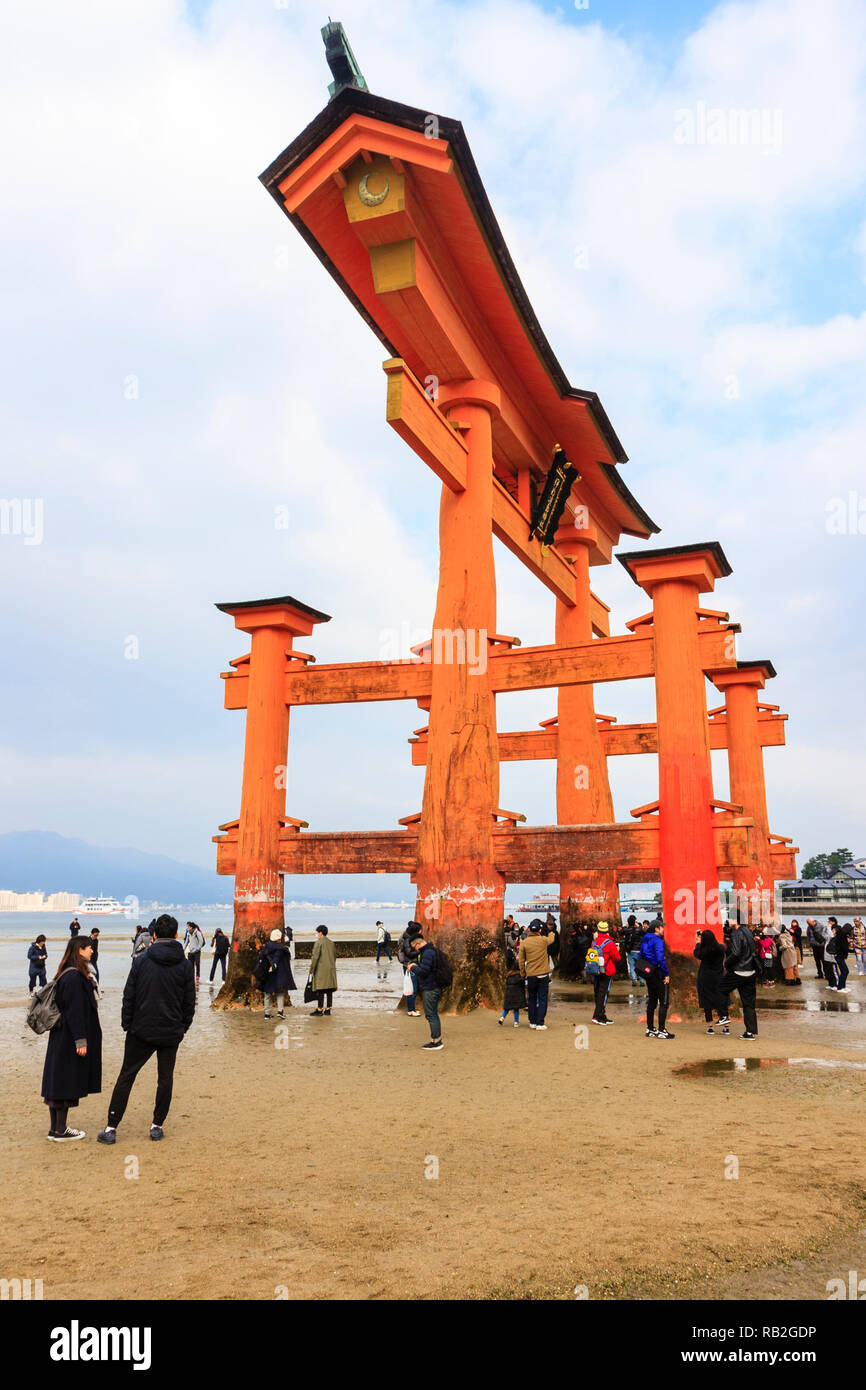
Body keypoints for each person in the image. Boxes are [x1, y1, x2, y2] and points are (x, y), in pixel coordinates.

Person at [97, 914, 195, 1145]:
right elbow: (189, 1003)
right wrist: (183, 1027)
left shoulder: (141, 961)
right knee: (165, 1078)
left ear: (153, 935)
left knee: (126, 1077)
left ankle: (111, 1128)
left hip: (141, 1029)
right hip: (170, 1030)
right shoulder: (185, 965)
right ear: (176, 935)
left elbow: (128, 995)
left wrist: (127, 1024)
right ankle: (156, 1125)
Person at [40, 936, 102, 1141]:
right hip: (69, 1036)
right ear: (80, 950)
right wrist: (81, 1041)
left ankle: (54, 1129)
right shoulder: (75, 977)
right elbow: (75, 1011)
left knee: (56, 1080)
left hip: (60, 1035)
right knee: (66, 1081)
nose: (92, 951)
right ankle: (61, 1130)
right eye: (89, 948)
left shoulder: (64, 972)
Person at [720, 921, 760, 1039]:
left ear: (735, 920)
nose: (728, 921)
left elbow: (736, 953)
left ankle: (724, 1016)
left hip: (739, 971)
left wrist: (726, 964)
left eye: (730, 919)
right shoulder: (748, 932)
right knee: (749, 1004)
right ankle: (750, 1032)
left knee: (720, 989)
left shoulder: (737, 934)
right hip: (751, 971)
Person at [408, 927, 443, 1049]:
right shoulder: (432, 950)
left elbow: (424, 972)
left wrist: (412, 967)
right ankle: (436, 1040)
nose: (415, 949)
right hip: (434, 986)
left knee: (431, 1015)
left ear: (417, 943)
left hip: (430, 987)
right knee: (433, 1014)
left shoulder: (427, 953)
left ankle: (436, 1042)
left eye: (414, 947)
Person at [639, 921, 675, 1039]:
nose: (663, 929)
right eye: (661, 927)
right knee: (664, 1002)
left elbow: (641, 956)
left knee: (652, 1001)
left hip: (649, 973)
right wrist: (666, 973)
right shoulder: (658, 940)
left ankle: (650, 1028)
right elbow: (660, 958)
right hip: (658, 973)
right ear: (656, 929)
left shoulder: (645, 938)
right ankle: (661, 1030)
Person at [518, 918, 555, 1030]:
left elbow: (521, 960)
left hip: (531, 975)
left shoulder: (524, 943)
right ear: (539, 929)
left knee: (532, 998)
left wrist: (523, 973)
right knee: (543, 999)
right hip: (543, 975)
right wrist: (550, 932)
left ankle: (532, 1021)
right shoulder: (543, 940)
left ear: (529, 929)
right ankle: (540, 1022)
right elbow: (552, 938)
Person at [694, 929, 728, 1033]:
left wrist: (697, 942)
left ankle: (710, 1027)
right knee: (721, 1000)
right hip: (719, 977)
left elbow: (696, 954)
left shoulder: (703, 951)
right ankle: (726, 1027)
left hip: (705, 978)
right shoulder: (721, 948)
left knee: (706, 1001)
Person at [586, 921, 620, 1025]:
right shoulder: (610, 943)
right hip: (607, 970)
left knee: (597, 992)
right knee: (603, 994)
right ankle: (597, 1016)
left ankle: (602, 1015)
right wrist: (617, 949)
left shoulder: (594, 942)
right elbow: (617, 958)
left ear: (598, 930)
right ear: (607, 930)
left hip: (595, 969)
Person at [257, 928, 296, 1018]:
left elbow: (261, 958)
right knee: (280, 993)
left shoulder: (266, 947)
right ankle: (280, 1011)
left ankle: (267, 1013)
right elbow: (277, 958)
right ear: (279, 938)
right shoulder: (281, 948)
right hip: (279, 974)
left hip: (267, 974)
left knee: (267, 993)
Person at [309, 924, 337, 1016]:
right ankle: (328, 1009)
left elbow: (315, 957)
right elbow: (334, 956)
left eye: (317, 932)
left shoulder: (318, 943)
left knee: (320, 989)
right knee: (329, 989)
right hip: (331, 969)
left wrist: (311, 969)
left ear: (320, 933)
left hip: (321, 969)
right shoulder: (331, 943)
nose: (316, 934)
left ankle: (320, 1009)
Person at [498, 949, 526, 1027]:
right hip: (516, 995)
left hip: (509, 994)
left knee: (507, 1008)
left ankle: (502, 1018)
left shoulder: (509, 975)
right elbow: (522, 981)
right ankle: (516, 1022)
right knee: (516, 1009)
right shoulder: (519, 976)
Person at [830, 923, 851, 993]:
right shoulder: (842, 935)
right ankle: (840, 987)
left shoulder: (840, 934)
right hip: (839, 955)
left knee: (843, 971)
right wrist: (852, 950)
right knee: (845, 971)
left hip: (838, 955)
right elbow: (843, 947)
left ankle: (843, 987)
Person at [623, 915, 642, 986]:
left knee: (632, 966)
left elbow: (622, 930)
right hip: (639, 950)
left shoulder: (626, 930)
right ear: (634, 922)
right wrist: (638, 926)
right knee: (640, 966)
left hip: (630, 951)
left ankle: (634, 980)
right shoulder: (638, 929)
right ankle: (641, 981)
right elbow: (644, 932)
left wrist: (626, 926)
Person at [822, 919, 840, 990]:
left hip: (832, 956)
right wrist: (825, 929)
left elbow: (832, 935)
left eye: (830, 922)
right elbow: (824, 935)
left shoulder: (836, 934)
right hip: (826, 955)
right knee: (828, 971)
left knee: (834, 971)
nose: (828, 923)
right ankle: (831, 984)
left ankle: (837, 984)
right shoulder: (829, 935)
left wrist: (829, 928)